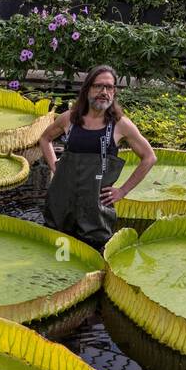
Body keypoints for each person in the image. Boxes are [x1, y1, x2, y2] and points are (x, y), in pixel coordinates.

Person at [39, 65, 157, 251]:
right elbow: (45, 139)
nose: (104, 92)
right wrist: (55, 167)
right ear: (87, 89)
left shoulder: (120, 125)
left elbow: (149, 157)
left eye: (109, 87)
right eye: (98, 86)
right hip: (61, 203)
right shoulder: (69, 119)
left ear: (114, 92)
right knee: (53, 251)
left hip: (95, 211)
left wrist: (123, 191)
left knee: (93, 257)